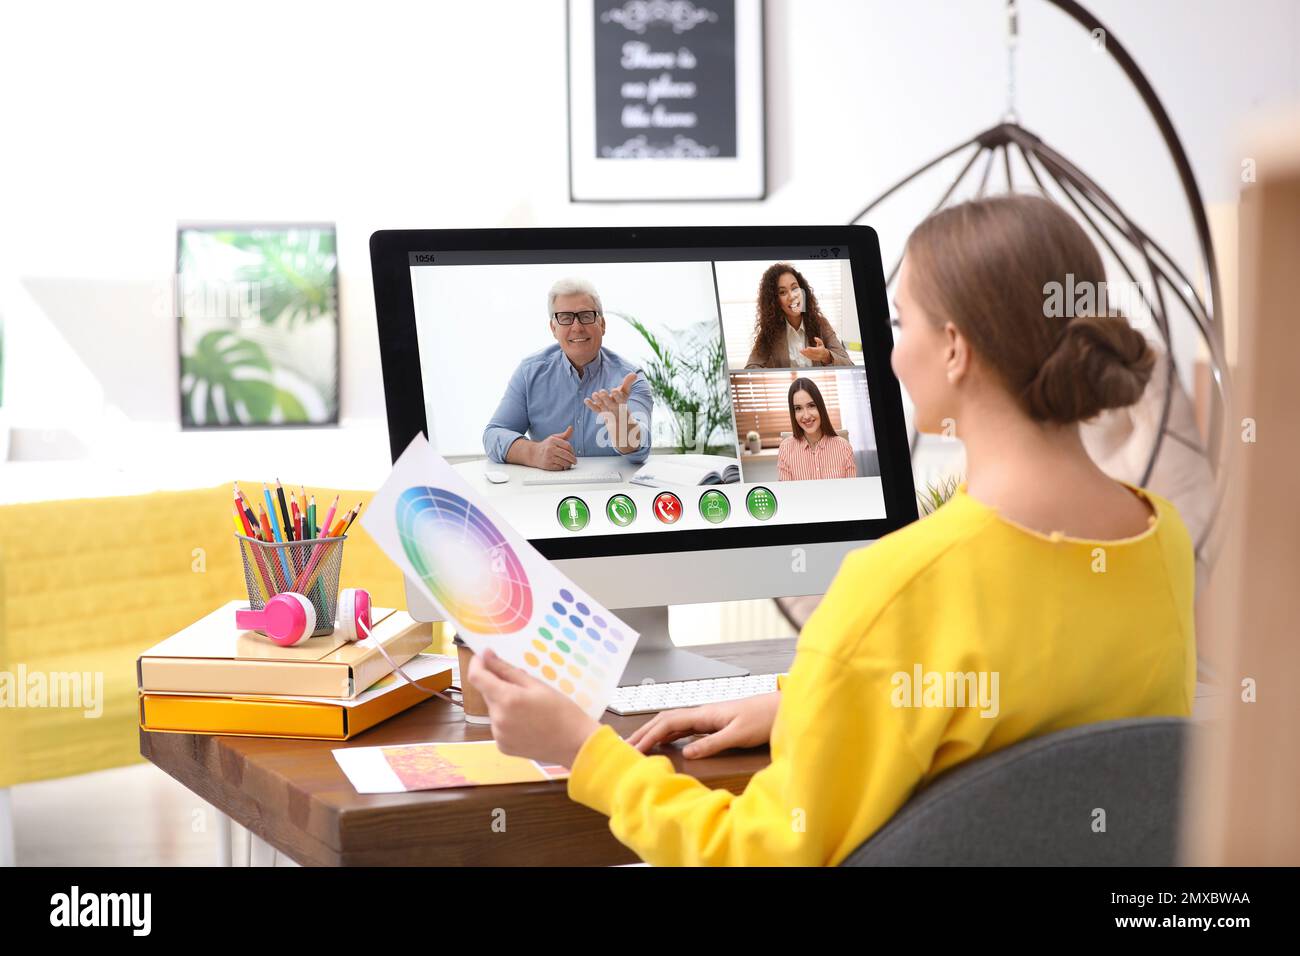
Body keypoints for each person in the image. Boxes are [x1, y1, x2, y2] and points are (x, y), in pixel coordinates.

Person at [468, 195, 1194, 866]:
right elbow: (1027, 725)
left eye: (900, 321)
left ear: (954, 349)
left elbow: (755, 854)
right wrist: (812, 700)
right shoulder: (1161, 544)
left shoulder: (897, 587)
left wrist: (582, 749)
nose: (885, 349)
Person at [483, 277, 652, 469]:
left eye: (586, 316)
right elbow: (494, 434)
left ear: (602, 324)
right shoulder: (529, 373)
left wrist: (622, 422)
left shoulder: (630, 379)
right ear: (553, 328)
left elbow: (641, 450)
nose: (577, 327)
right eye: (565, 317)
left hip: (612, 491)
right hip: (547, 490)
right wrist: (533, 453)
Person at [744, 263, 854, 369]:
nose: (792, 296)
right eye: (782, 292)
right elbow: (750, 367)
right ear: (774, 301)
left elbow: (849, 364)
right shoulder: (770, 330)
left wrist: (826, 356)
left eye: (795, 288)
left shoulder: (821, 323)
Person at [776, 377, 857, 480]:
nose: (806, 416)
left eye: (811, 405)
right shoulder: (785, 448)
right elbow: (785, 494)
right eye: (798, 408)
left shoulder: (844, 447)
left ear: (820, 407)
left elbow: (851, 492)